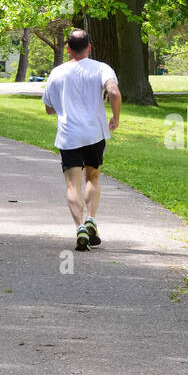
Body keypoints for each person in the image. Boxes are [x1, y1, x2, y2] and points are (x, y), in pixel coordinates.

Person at [42, 29, 121, 251]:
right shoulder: (101, 68)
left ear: (67, 48)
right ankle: (92, 219)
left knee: (71, 184)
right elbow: (113, 92)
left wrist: (64, 106)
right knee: (92, 178)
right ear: (89, 47)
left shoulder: (57, 73)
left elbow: (49, 108)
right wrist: (115, 116)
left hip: (69, 135)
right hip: (95, 134)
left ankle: (79, 228)